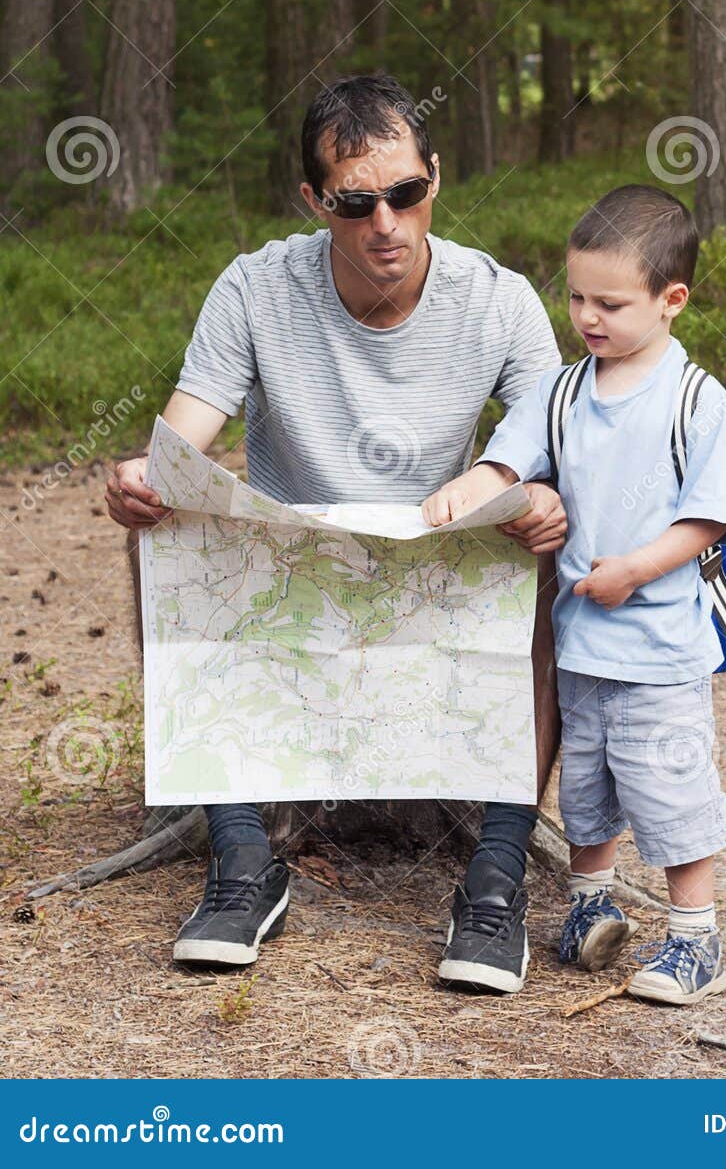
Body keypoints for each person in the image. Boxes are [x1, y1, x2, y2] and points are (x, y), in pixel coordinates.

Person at [105, 73, 565, 994]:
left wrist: (528, 489)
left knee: (554, 532)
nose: (385, 224)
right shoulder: (254, 287)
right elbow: (185, 430)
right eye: (356, 203)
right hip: (297, 562)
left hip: (440, 560)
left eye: (406, 194)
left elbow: (554, 432)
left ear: (434, 177)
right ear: (316, 200)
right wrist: (142, 479)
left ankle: (497, 870)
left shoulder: (499, 298)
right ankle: (242, 859)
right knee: (161, 522)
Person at [422, 184, 726, 1005]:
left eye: (610, 302)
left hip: (660, 645)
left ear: (671, 301)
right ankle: (587, 907)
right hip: (578, 641)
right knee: (588, 789)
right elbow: (512, 456)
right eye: (574, 297)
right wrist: (476, 483)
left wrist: (635, 569)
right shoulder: (562, 392)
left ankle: (694, 938)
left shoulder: (695, 402)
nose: (587, 317)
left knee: (667, 786)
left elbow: (708, 520)